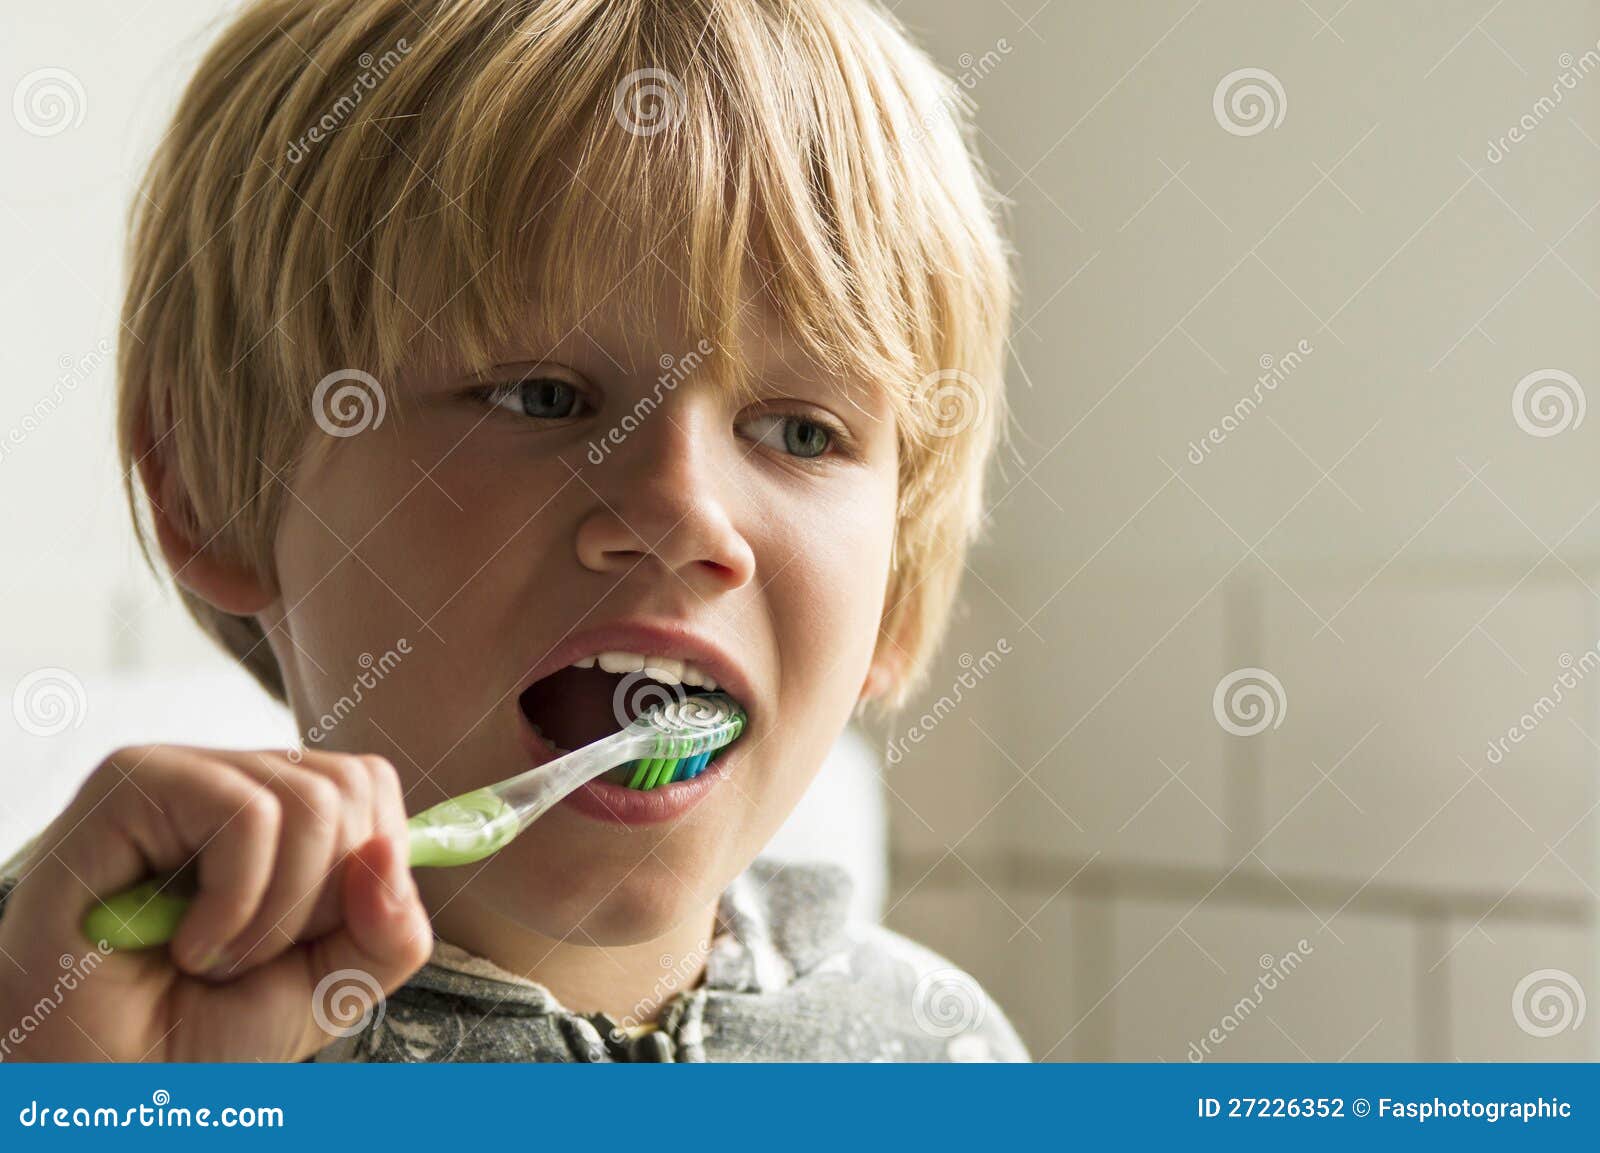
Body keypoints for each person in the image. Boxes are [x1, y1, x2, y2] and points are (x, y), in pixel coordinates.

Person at [0, 0, 1024, 1062]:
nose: (684, 511)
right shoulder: (67, 1002)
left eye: (801, 431)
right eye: (540, 396)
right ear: (207, 490)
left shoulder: (940, 1051)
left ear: (894, 590)